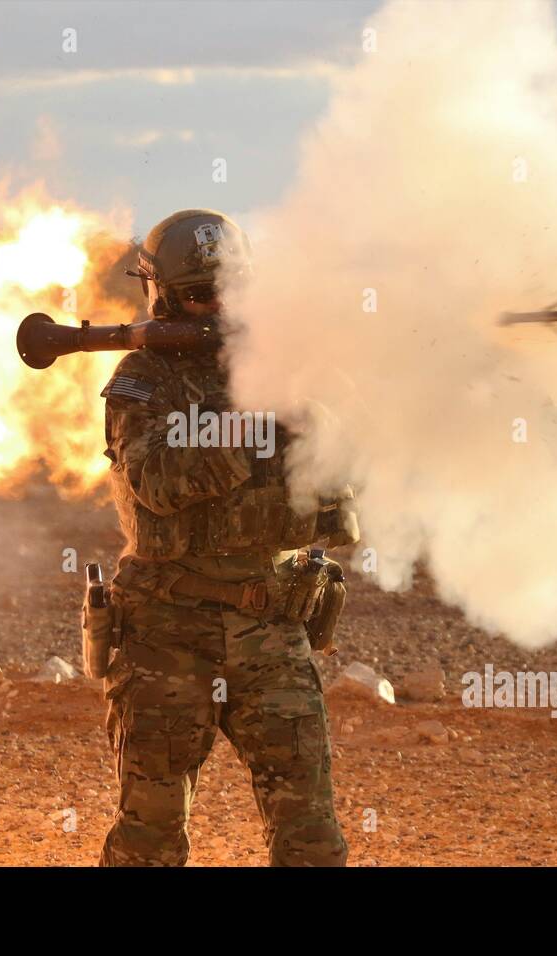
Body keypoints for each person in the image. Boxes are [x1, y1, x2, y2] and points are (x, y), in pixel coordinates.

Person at [97, 208, 357, 866]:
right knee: (150, 835)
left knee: (311, 836)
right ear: (159, 292)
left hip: (270, 626)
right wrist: (248, 419)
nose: (217, 306)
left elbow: (339, 520)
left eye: (231, 290)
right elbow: (159, 481)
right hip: (166, 628)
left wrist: (316, 421)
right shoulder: (141, 382)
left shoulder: (284, 374)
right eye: (199, 294)